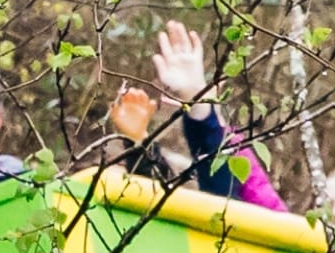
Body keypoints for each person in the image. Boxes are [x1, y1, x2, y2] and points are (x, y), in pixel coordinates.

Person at [102, 19, 282, 208]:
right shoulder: (232, 152)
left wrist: (199, 102)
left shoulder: (299, 229)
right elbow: (165, 203)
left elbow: (226, 205)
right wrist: (139, 143)